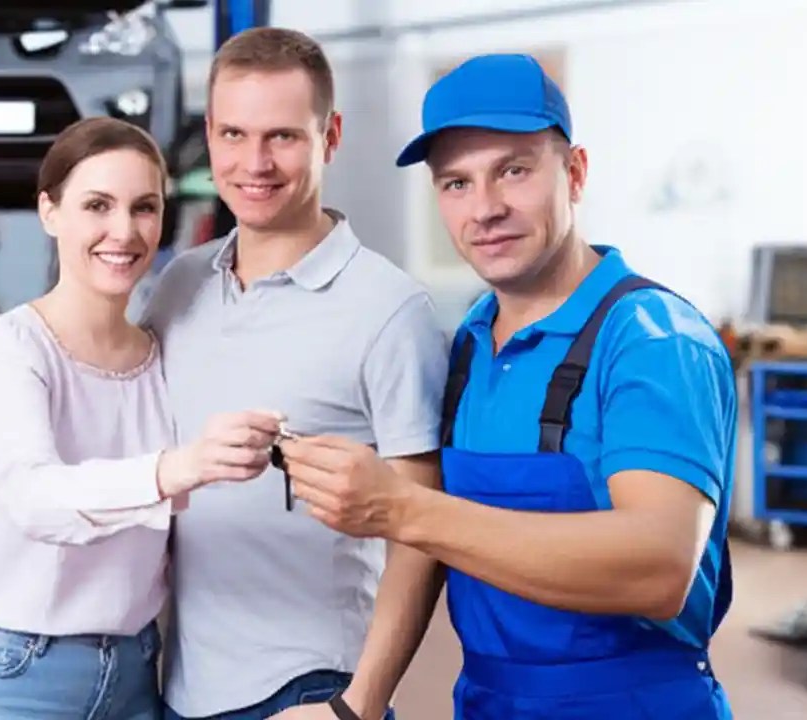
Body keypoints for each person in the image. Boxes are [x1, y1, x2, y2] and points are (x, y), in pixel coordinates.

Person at [280, 53, 737, 718]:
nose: (485, 208)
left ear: (575, 173)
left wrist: (403, 510)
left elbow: (658, 567)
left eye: (513, 172)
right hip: (490, 699)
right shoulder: (470, 342)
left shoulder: (651, 340)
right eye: (456, 183)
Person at [0, 117, 283, 720]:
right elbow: (32, 497)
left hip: (135, 666)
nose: (124, 231)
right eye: (97, 205)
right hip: (12, 668)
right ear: (49, 212)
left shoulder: (159, 354)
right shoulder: (11, 347)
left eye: (144, 207)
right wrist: (177, 469)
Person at [141, 28, 449, 720]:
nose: (254, 162)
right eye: (233, 134)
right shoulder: (180, 286)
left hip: (307, 692)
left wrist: (359, 706)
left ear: (329, 136)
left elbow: (419, 529)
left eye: (282, 136)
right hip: (179, 686)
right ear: (210, 137)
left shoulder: (389, 310)